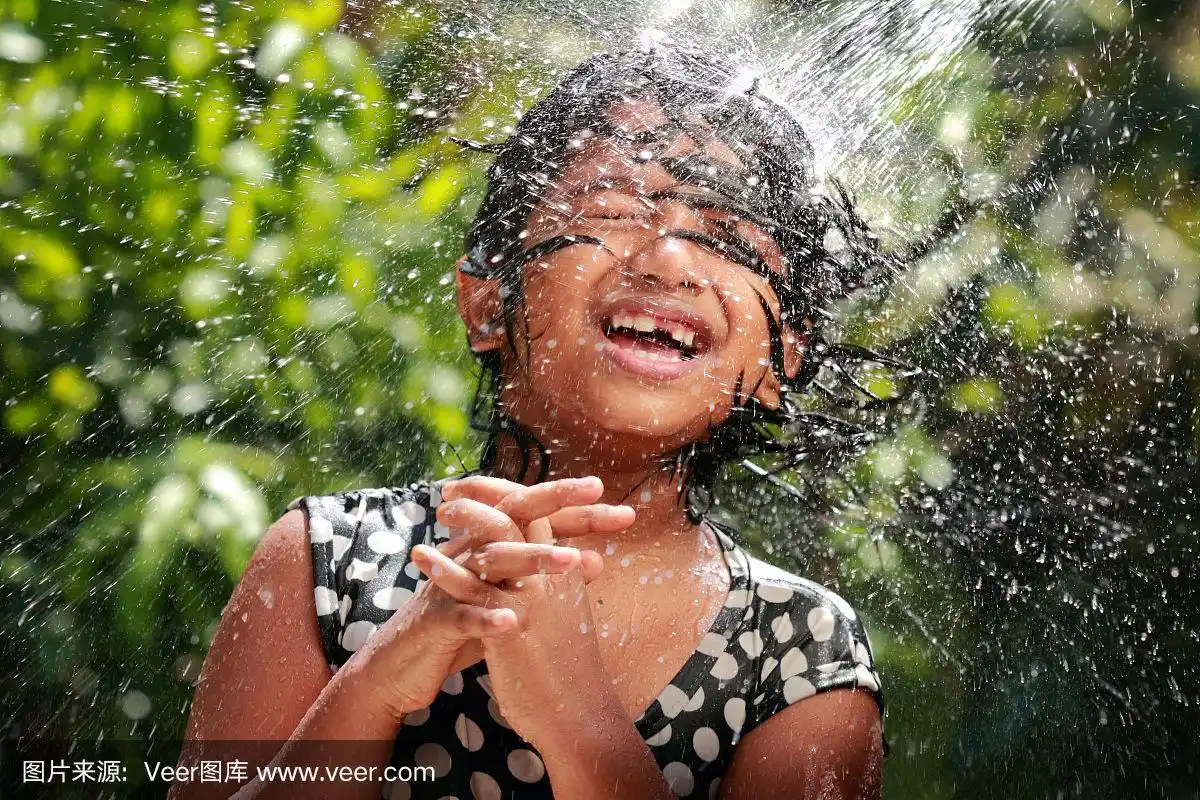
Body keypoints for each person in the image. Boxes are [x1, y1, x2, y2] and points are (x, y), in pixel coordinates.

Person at [171, 42, 887, 800]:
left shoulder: (800, 651)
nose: (669, 261)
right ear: (486, 302)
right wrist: (376, 684)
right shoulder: (332, 563)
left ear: (783, 362)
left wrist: (578, 719)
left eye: (730, 241)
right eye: (613, 209)